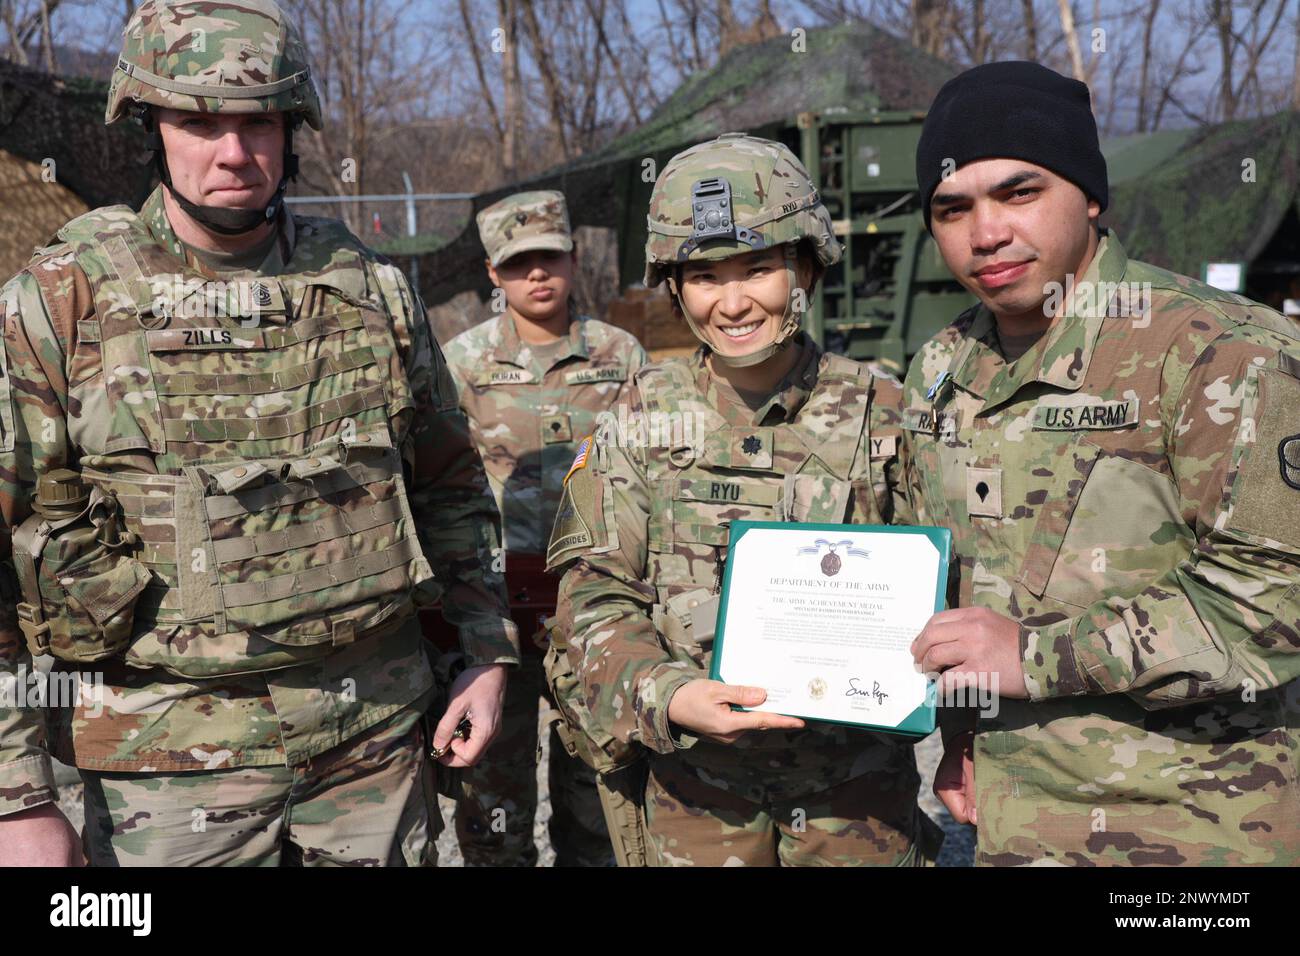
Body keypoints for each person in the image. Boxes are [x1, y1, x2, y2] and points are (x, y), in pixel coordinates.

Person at [0, 0, 518, 867]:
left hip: (372, 748)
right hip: (166, 768)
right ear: (149, 124)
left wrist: (485, 655)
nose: (235, 153)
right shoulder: (60, 299)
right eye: (199, 123)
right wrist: (17, 798)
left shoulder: (370, 289)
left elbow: (450, 485)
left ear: (292, 127)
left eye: (259, 122)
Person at [905, 61, 1300, 865]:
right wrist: (959, 731)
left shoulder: (1224, 352)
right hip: (1009, 828)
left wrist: (1032, 655)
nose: (985, 233)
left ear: (1089, 194)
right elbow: (951, 589)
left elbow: (1275, 603)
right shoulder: (943, 366)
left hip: (1191, 832)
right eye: (953, 208)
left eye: (1020, 193)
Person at [546, 133, 940, 866]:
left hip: (855, 801)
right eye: (702, 276)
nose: (732, 303)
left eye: (757, 268)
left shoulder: (882, 409)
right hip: (697, 796)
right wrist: (664, 693)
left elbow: (956, 591)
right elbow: (591, 593)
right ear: (674, 286)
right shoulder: (640, 415)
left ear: (806, 265)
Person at [435, 191, 647, 866]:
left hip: (593, 597)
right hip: (496, 597)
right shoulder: (462, 362)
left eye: (548, 257)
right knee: (493, 784)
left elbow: (647, 467)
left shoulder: (620, 352)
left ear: (572, 259)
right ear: (493, 274)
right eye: (518, 262)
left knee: (599, 782)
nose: (537, 274)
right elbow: (438, 474)